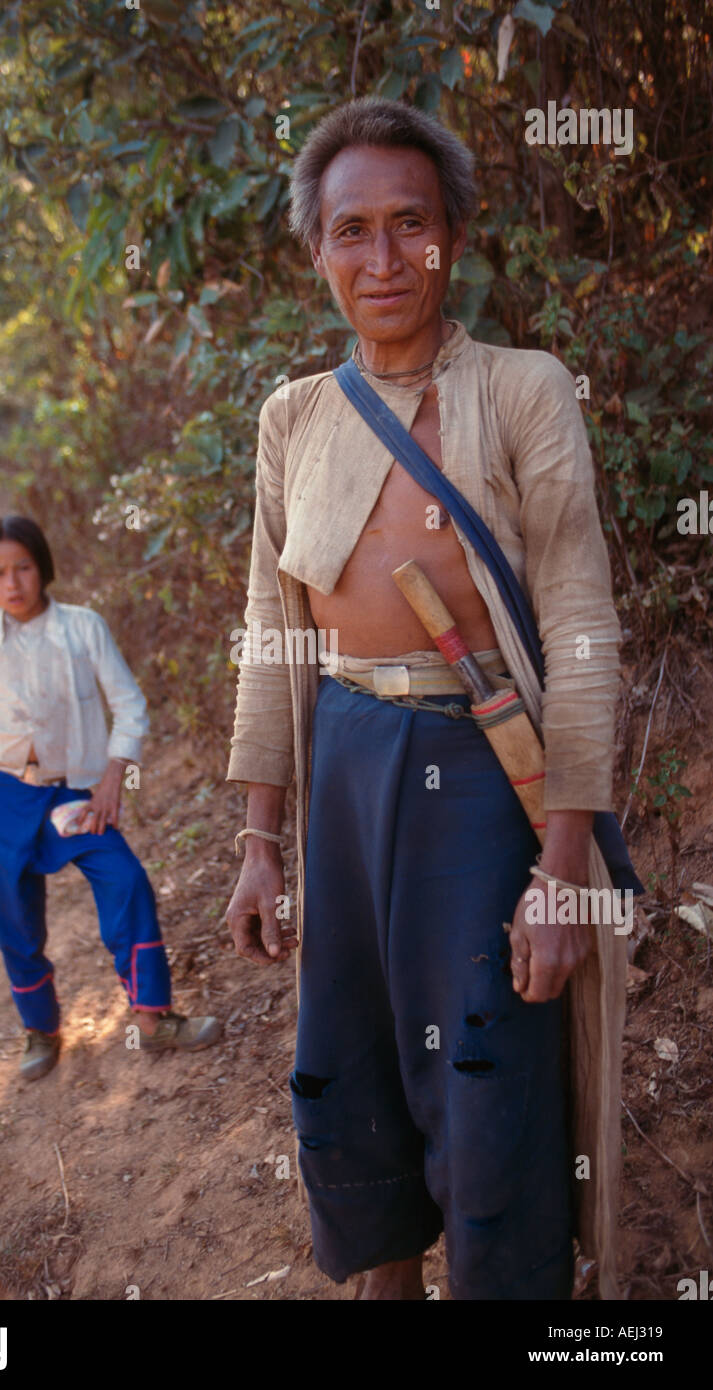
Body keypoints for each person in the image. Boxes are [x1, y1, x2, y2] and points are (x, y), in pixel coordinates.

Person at [225, 98, 631, 1300]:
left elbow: (578, 624)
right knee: (346, 1056)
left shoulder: (522, 390)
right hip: (342, 768)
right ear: (316, 253)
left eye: (411, 224)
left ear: (454, 232)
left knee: (486, 1070)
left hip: (480, 777)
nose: (383, 258)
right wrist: (257, 839)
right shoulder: (291, 416)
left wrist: (560, 865)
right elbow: (269, 636)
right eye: (351, 230)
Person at [0, 515, 221, 1080]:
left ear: (44, 568)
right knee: (13, 909)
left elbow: (130, 705)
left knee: (125, 879)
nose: (13, 583)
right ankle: (40, 1030)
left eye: (24, 568)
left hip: (76, 793)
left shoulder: (84, 628)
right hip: (7, 795)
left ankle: (154, 1016)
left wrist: (112, 780)